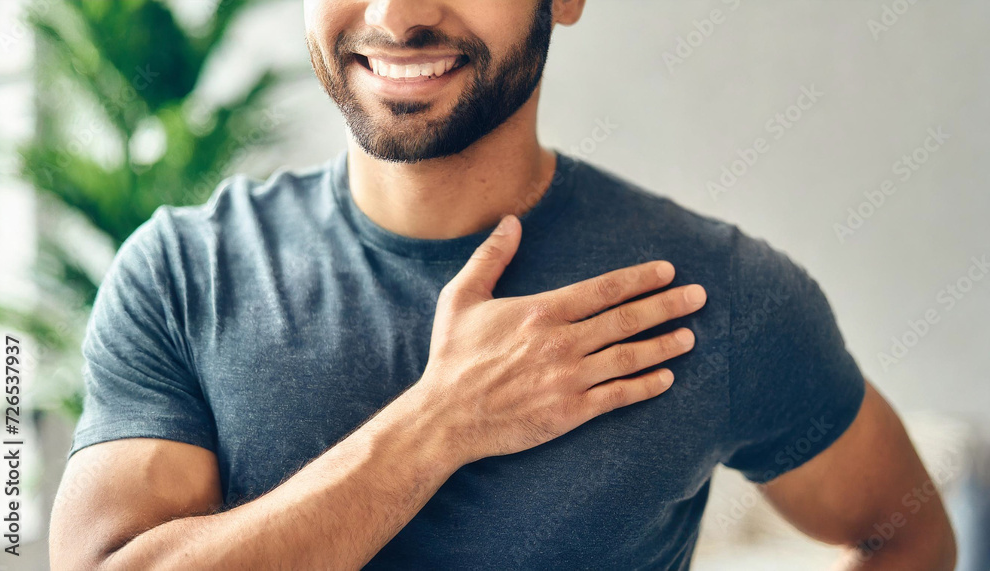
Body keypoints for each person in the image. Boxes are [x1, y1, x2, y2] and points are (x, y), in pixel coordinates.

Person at [49, 1, 956, 569]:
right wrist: (439, 424)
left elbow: (907, 531)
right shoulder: (182, 273)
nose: (397, 15)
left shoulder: (713, 292)